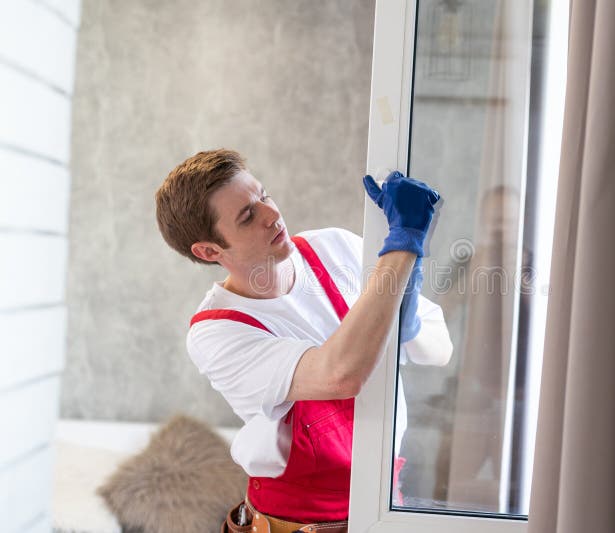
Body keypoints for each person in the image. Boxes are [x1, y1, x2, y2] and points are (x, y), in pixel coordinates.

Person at [154, 149, 452, 532]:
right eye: (248, 216)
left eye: (264, 195)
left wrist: (405, 319)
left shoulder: (334, 248)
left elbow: (440, 350)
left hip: (381, 502)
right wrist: (404, 246)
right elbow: (340, 375)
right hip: (295, 523)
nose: (272, 214)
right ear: (210, 251)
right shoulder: (217, 332)